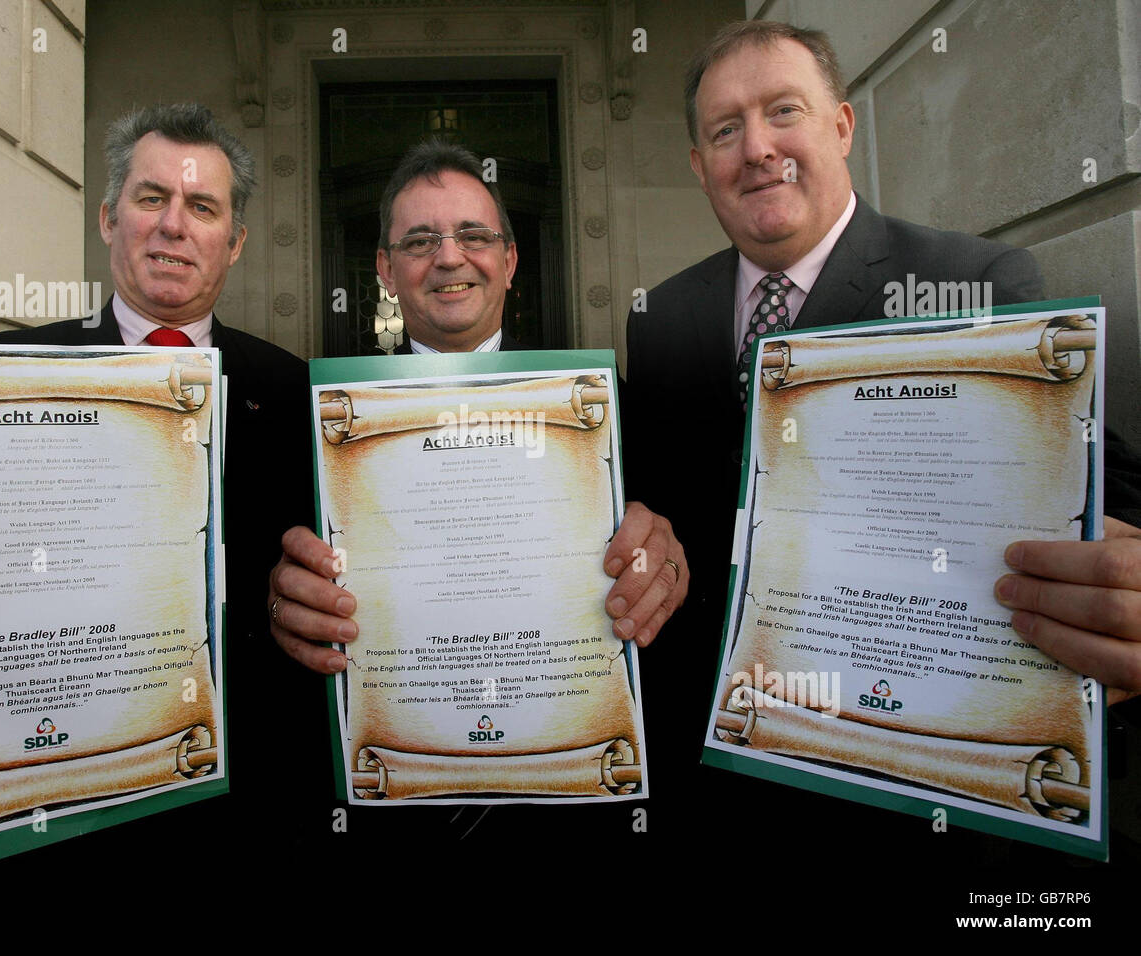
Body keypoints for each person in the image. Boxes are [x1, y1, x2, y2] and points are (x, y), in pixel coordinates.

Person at [625, 20, 1141, 858]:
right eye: (725, 129)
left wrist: (1122, 580)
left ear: (841, 126)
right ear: (699, 165)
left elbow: (1094, 486)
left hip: (895, 791)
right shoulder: (661, 316)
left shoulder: (970, 283)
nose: (756, 147)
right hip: (711, 776)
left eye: (782, 110)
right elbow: (656, 503)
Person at [0, 103, 311, 863]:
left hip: (241, 812)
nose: (173, 225)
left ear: (235, 241)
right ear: (107, 217)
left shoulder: (292, 390)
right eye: (150, 198)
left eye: (202, 207)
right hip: (39, 818)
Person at [268, 140, 688, 839]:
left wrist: (670, 565)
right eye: (420, 240)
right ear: (386, 270)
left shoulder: (613, 410)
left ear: (511, 260)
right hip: (387, 819)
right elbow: (283, 586)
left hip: (574, 818)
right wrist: (283, 600)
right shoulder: (316, 423)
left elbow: (671, 564)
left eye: (474, 235)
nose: (450, 256)